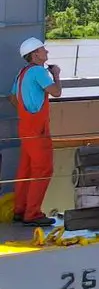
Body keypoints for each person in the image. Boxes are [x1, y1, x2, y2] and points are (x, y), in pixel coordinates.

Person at [10, 37, 60, 226]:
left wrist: (28, 109)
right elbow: (56, 92)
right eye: (43, 50)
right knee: (43, 170)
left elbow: (12, 97)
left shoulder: (22, 72)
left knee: (26, 170)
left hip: (25, 126)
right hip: (38, 129)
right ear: (35, 54)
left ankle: (20, 209)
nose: (46, 52)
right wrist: (56, 75)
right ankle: (32, 214)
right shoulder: (39, 71)